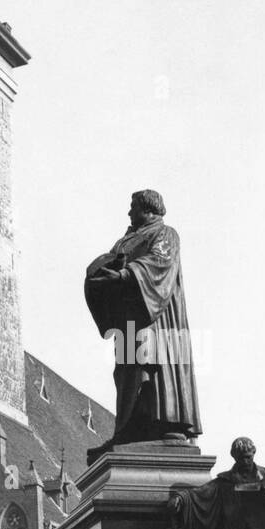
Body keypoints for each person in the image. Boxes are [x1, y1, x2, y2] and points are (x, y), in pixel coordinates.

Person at [84, 190, 201, 458]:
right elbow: (109, 262)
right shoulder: (127, 239)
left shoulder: (165, 233)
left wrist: (125, 274)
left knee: (155, 369)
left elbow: (159, 263)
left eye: (132, 207)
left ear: (147, 208)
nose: (128, 213)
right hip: (129, 319)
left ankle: (167, 423)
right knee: (127, 372)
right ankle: (128, 428)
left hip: (156, 318)